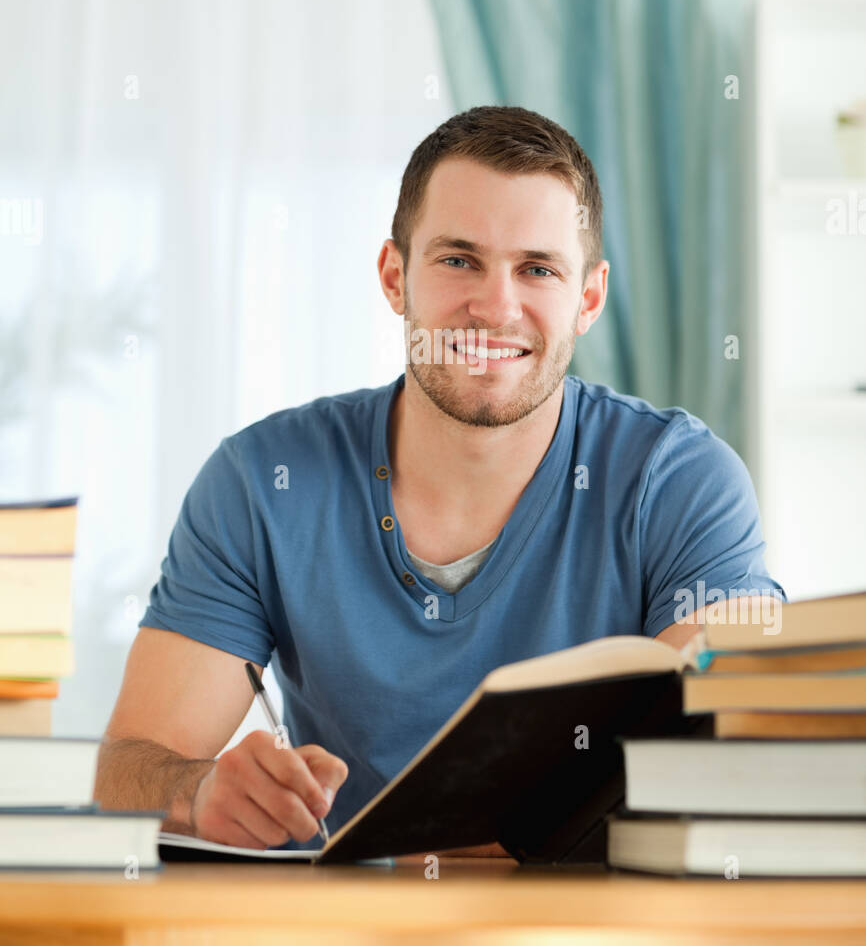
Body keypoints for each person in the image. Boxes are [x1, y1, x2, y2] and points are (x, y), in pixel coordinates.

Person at [94, 105, 784, 856]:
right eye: (458, 260)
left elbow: (725, 756)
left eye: (538, 269)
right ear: (395, 277)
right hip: (347, 923)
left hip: (594, 927)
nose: (495, 307)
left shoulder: (680, 481)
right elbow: (126, 769)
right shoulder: (262, 483)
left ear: (588, 298)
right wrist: (198, 794)